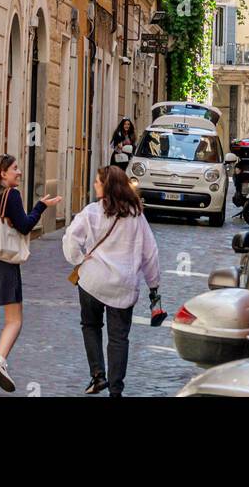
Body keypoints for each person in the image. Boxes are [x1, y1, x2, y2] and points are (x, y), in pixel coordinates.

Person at [0, 153, 61, 393]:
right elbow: (26, 225)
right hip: (2, 264)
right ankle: (0, 361)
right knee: (14, 320)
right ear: (3, 173)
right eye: (15, 168)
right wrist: (41, 206)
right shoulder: (12, 195)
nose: (19, 172)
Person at [63, 165, 161, 397]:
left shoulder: (91, 212)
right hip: (123, 285)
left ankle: (98, 375)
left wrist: (77, 258)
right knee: (119, 338)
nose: (95, 185)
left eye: (98, 181)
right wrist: (153, 284)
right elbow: (150, 253)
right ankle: (116, 390)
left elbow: (70, 239)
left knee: (90, 326)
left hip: (92, 281)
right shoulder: (136, 216)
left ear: (108, 186)